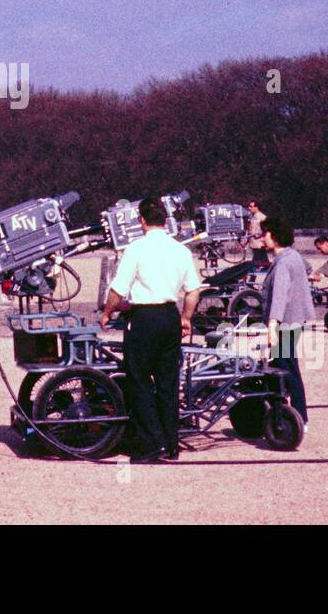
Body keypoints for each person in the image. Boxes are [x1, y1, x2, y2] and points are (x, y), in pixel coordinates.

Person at [100, 196, 205, 464]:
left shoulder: (136, 249)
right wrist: (186, 318)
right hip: (170, 316)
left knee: (139, 381)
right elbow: (193, 291)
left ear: (142, 221)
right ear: (165, 220)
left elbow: (117, 289)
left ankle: (149, 445)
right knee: (168, 383)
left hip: (144, 318)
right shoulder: (181, 250)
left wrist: (107, 313)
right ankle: (171, 445)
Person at [260, 217, 315, 428]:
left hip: (285, 323)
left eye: (265, 234)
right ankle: (277, 408)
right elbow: (307, 269)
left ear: (274, 236)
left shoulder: (283, 262)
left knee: (288, 370)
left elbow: (280, 295)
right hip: (295, 319)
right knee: (279, 366)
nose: (263, 238)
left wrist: (272, 324)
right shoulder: (294, 256)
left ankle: (299, 417)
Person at [246, 200, 268, 265]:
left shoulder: (262, 217)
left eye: (251, 206)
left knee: (257, 263)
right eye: (249, 206)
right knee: (263, 262)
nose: (249, 208)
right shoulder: (252, 217)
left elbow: (267, 230)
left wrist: (263, 239)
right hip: (254, 244)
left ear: (256, 207)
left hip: (260, 244)